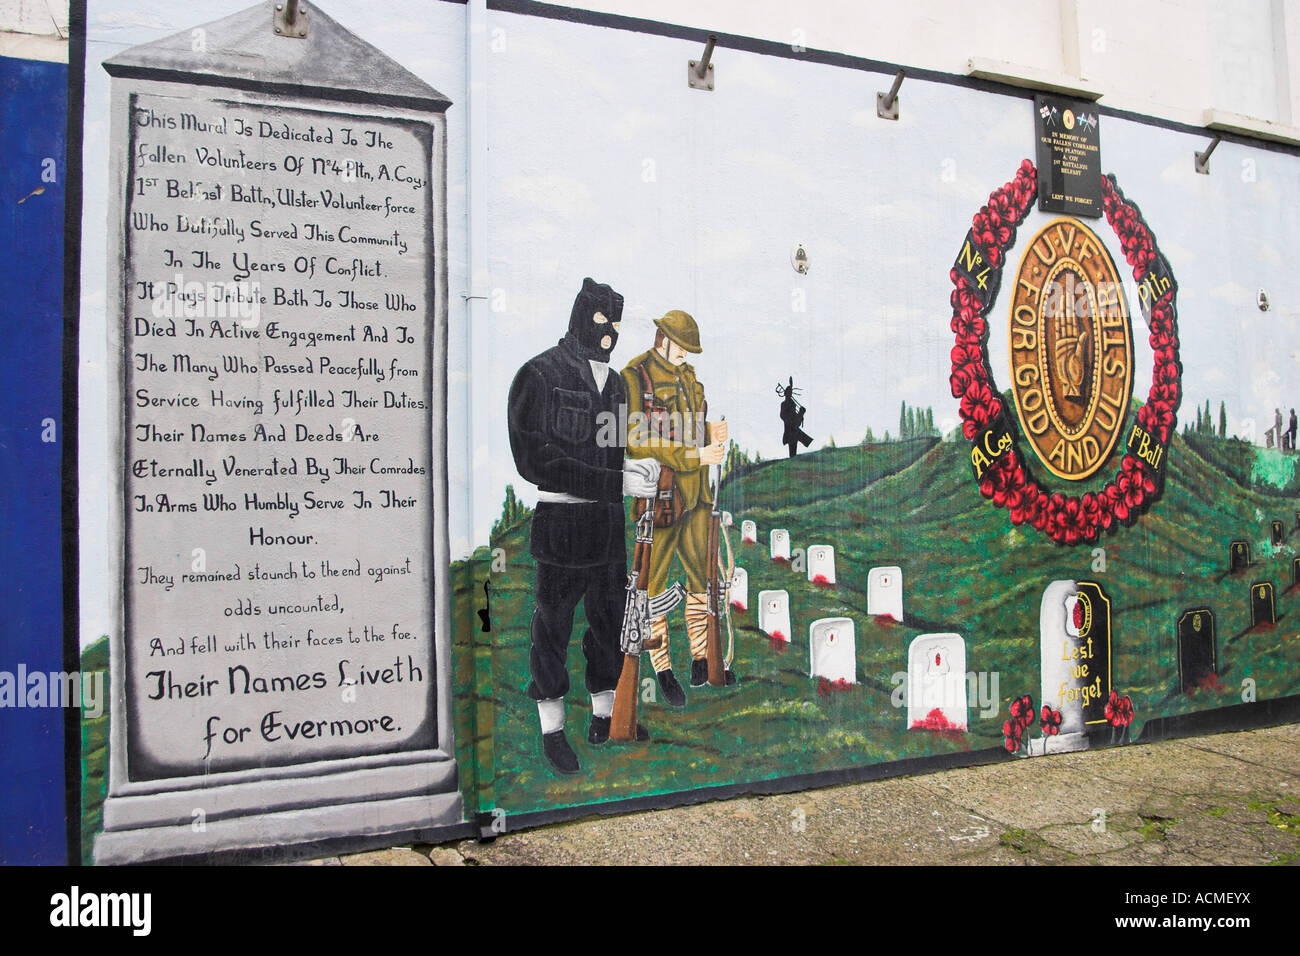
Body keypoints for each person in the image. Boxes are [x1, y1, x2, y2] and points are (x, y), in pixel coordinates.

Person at [507, 278, 658, 774]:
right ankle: (552, 731)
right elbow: (536, 461)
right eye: (599, 321)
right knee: (551, 629)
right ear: (578, 318)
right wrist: (616, 480)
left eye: (616, 322)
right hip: (561, 526)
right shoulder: (538, 374)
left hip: (605, 528)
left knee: (608, 625)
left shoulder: (615, 385)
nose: (609, 333)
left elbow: (612, 451)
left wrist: (635, 470)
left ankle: (603, 718)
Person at [620, 310, 736, 707]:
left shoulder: (690, 379)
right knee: (653, 588)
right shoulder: (636, 376)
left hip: (698, 494)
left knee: (702, 579)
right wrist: (694, 454)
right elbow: (635, 437)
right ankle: (663, 668)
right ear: (663, 338)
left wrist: (711, 434)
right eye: (683, 346)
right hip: (663, 497)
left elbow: (692, 426)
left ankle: (703, 659)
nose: (687, 354)